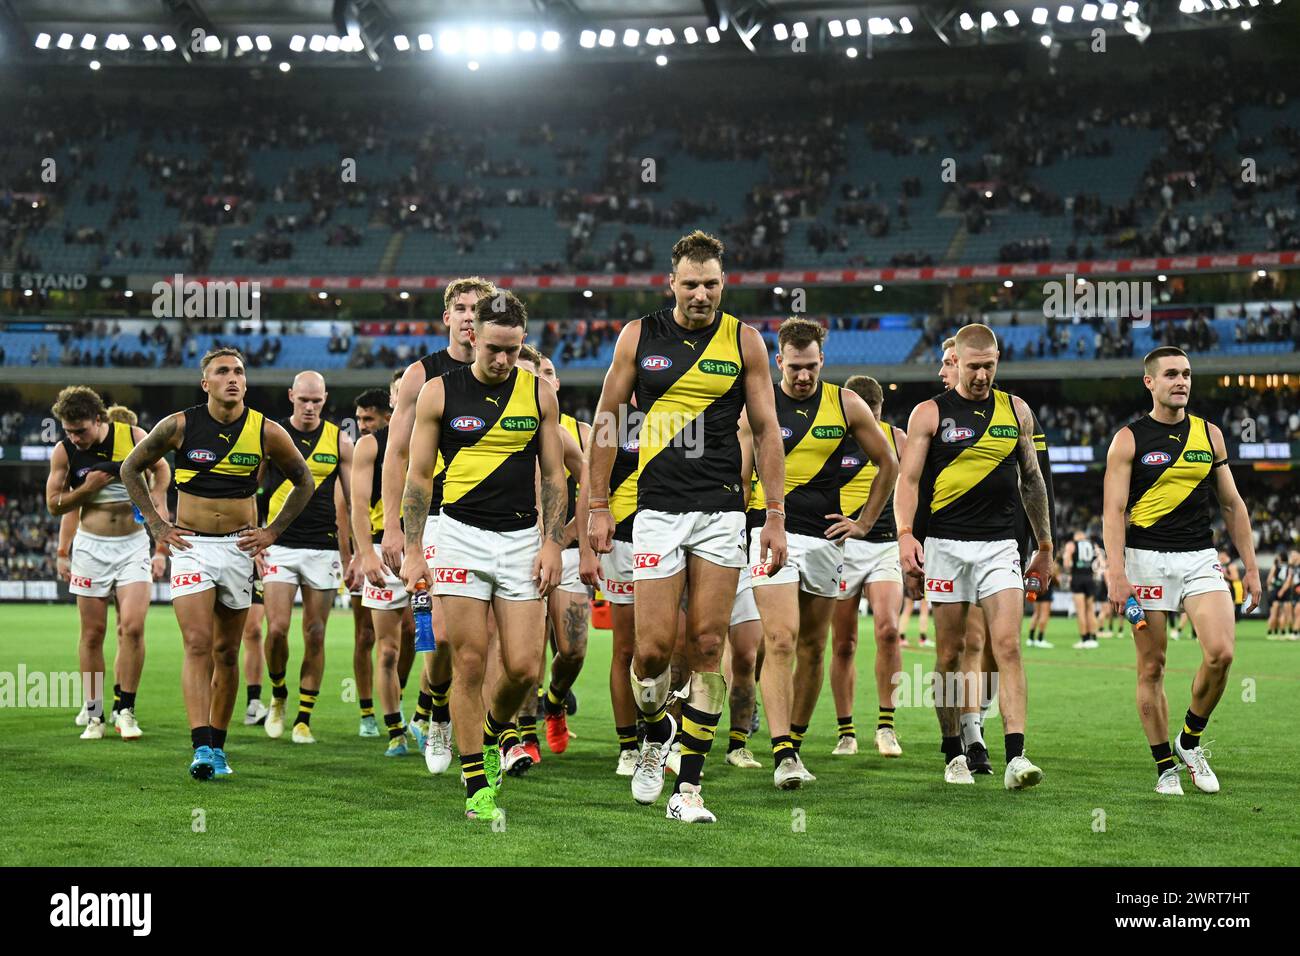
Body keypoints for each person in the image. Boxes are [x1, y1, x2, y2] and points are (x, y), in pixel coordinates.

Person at [587, 229, 787, 823]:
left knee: (705, 645)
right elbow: (606, 420)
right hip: (655, 510)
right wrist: (597, 504)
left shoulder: (745, 341)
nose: (702, 293)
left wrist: (774, 514)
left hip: (722, 510)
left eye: (712, 283)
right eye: (691, 283)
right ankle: (657, 729)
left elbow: (769, 430)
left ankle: (690, 790)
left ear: (723, 284)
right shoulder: (638, 336)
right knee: (649, 653)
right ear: (671, 284)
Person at [400, 291, 570, 822]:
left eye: (514, 350)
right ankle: (476, 780)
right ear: (472, 336)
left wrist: (552, 542)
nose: (503, 360)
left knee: (522, 667)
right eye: (495, 348)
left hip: (522, 540)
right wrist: (411, 549)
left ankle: (496, 731)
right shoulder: (437, 392)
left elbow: (555, 474)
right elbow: (419, 478)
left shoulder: (539, 394)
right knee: (469, 661)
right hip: (459, 537)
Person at [121, 347, 315, 779]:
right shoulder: (179, 425)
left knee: (227, 652)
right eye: (222, 371)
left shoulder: (266, 431)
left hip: (239, 549)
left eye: (239, 372)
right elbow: (131, 468)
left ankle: (220, 747)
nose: (233, 378)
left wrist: (272, 532)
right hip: (192, 548)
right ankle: (201, 747)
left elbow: (305, 480)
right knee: (197, 644)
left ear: (246, 383)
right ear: (205, 383)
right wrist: (156, 523)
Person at [895, 323, 1053, 789]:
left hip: (1001, 546)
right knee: (949, 655)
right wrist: (905, 534)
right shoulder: (929, 414)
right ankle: (953, 750)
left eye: (989, 366)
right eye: (972, 366)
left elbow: (1032, 480)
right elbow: (908, 482)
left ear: (997, 360)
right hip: (945, 545)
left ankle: (1016, 755)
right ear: (956, 363)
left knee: (1006, 647)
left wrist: (1044, 545)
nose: (981, 375)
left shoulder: (1015, 410)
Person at [1102, 346, 1261, 795]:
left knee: (1221, 653)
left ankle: (1189, 741)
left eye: (1187, 374)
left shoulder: (1209, 435)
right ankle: (1165, 766)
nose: (1182, 382)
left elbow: (1231, 503)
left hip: (1198, 559)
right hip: (1144, 562)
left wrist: (1251, 567)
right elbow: (1112, 511)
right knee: (1152, 667)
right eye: (1171, 374)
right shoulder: (1128, 439)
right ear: (1149, 381)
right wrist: (1116, 572)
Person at [748, 321, 899, 793]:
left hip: (825, 540)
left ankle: (795, 740)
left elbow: (889, 463)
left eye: (812, 366)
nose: (803, 376)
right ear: (779, 363)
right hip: (770, 531)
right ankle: (781, 753)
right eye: (795, 367)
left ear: (822, 362)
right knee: (781, 639)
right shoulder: (760, 400)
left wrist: (866, 523)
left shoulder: (846, 403)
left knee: (814, 647)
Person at [383, 277, 493, 772]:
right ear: (447, 317)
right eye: (463, 309)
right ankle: (439, 714)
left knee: (480, 643)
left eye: (479, 310)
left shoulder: (507, 369)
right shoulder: (422, 375)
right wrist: (392, 527)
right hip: (431, 521)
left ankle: (483, 731)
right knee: (439, 636)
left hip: (490, 524)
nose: (470, 317)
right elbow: (398, 455)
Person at [47, 389, 169, 740]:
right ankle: (94, 715)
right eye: (69, 431)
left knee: (131, 627)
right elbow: (55, 506)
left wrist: (158, 498)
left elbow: (162, 471)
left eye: (80, 431)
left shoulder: (133, 436)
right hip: (91, 549)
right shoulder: (64, 451)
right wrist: (86, 491)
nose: (74, 438)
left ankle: (125, 710)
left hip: (132, 546)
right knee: (92, 634)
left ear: (99, 420)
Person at [260, 371, 354, 744]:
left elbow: (353, 501)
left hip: (323, 546)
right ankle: (279, 691)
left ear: (325, 399)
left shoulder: (339, 440)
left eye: (317, 401)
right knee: (278, 629)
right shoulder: (273, 435)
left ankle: (303, 717)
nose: (311, 407)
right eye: (304, 400)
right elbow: (252, 488)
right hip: (279, 543)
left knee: (315, 633)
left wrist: (356, 554)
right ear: (291, 397)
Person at [516, 346, 597, 760]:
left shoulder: (578, 432)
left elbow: (592, 490)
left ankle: (556, 699)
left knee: (573, 649)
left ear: (557, 381)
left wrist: (566, 540)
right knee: (525, 653)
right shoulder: (507, 422)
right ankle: (524, 733)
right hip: (514, 545)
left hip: (562, 549)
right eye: (532, 372)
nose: (540, 378)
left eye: (547, 372)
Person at [830, 375, 907, 758]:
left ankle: (886, 726)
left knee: (889, 631)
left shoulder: (897, 439)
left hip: (884, 546)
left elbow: (913, 493)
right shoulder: (832, 438)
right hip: (841, 548)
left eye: (874, 417)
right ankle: (846, 731)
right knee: (843, 643)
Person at [350, 387, 418, 756]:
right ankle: (396, 731)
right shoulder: (371, 446)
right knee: (386, 649)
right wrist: (365, 554)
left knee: (440, 643)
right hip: (383, 548)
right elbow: (357, 505)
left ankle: (427, 717)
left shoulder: (435, 435)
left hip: (432, 544)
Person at [1063, 529, 1102, 649]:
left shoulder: (1071, 545)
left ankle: (1084, 639)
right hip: (1089, 578)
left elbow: (1067, 563)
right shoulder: (1092, 544)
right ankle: (1093, 638)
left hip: (1077, 578)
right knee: (1090, 610)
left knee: (1081, 611)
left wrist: (1070, 570)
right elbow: (1100, 561)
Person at [1265, 549, 1291, 639]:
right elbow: (1288, 581)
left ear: (1280, 557)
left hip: (1275, 590)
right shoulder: (1289, 567)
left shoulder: (1275, 566)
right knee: (1283, 613)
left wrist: (1270, 588)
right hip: (1285, 591)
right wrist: (1283, 590)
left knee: (1273, 612)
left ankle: (1271, 632)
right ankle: (1283, 632)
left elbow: (1269, 580)